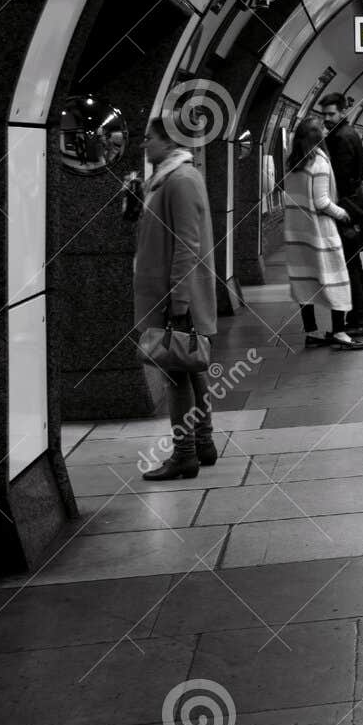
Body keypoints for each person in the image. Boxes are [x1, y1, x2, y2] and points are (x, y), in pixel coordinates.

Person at [132, 113, 218, 480]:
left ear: (169, 142)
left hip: (176, 296)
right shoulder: (166, 180)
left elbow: (187, 245)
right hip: (170, 293)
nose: (143, 144)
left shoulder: (180, 180)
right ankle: (204, 442)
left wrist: (179, 304)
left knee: (176, 376)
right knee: (190, 368)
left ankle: (184, 454)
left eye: (149, 138)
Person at [283, 117, 363, 351]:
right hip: (320, 233)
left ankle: (312, 332)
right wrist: (344, 214)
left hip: (297, 234)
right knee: (337, 280)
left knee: (305, 284)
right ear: (318, 137)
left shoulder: (292, 163)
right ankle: (339, 333)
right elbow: (321, 202)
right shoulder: (318, 162)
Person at [318, 92, 363, 336]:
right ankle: (362, 316)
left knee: (350, 266)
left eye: (331, 114)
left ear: (342, 112)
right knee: (355, 266)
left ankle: (359, 319)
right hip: (355, 207)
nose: (327, 118)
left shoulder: (339, 138)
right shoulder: (351, 134)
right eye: (324, 115)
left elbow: (338, 180)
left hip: (346, 211)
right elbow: (360, 172)